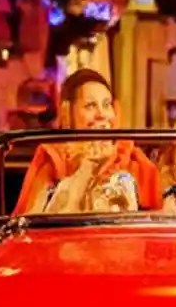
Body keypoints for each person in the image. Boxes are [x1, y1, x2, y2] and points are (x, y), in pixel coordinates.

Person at [15, 69, 162, 214]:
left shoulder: (136, 162)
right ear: (68, 114)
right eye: (90, 106)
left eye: (106, 104)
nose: (102, 115)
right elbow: (29, 227)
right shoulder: (54, 162)